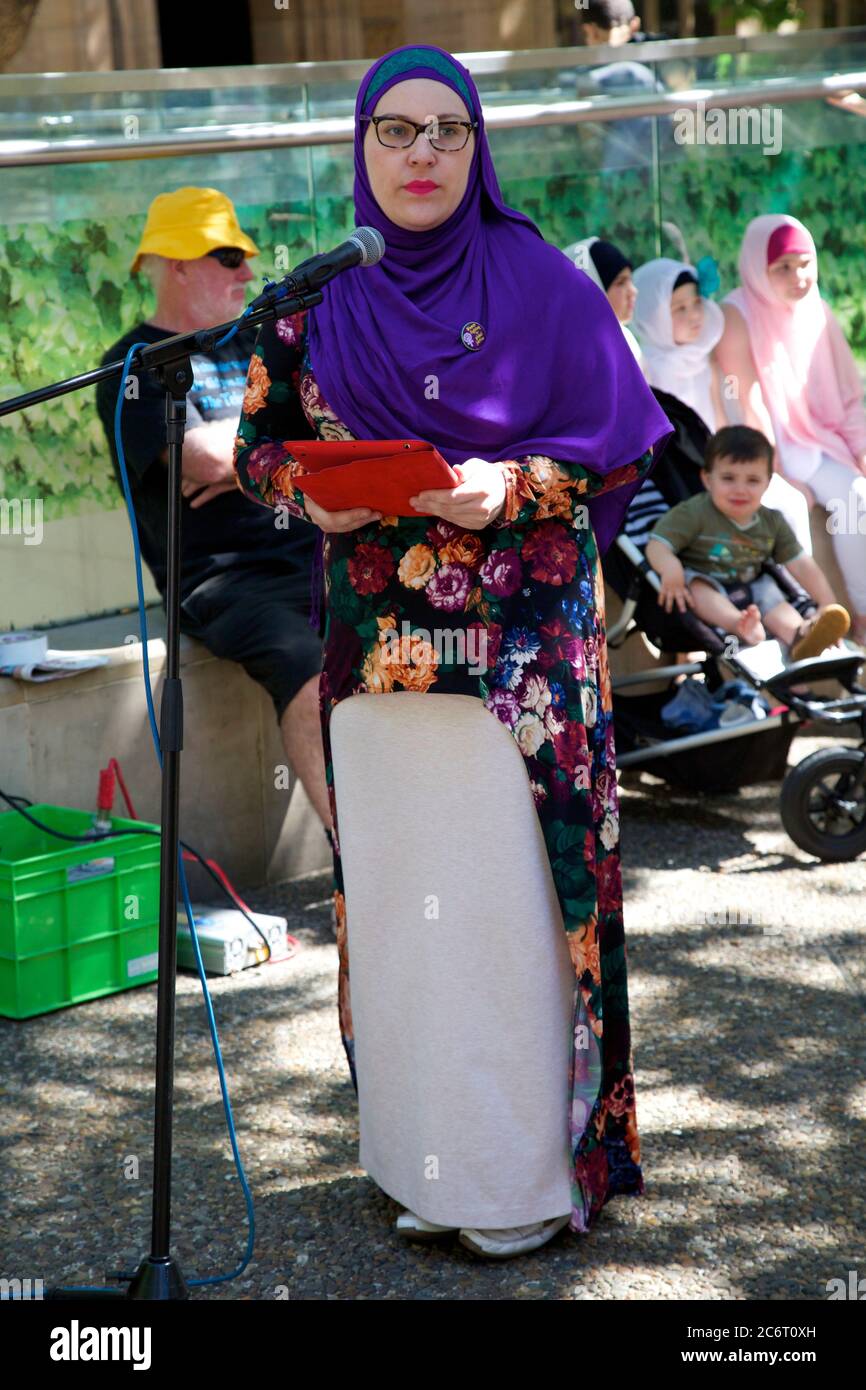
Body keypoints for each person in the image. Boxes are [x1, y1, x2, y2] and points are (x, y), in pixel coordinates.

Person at [232, 44, 672, 1260]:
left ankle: (518, 1178)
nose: (420, 153)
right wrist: (303, 496)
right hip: (376, 663)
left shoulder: (544, 285)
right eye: (395, 129)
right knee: (405, 914)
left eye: (446, 131)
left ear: (477, 147)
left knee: (508, 912)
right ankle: (423, 1160)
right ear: (361, 146)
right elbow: (259, 444)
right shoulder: (314, 298)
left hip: (517, 664)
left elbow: (611, 454)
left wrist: (506, 486)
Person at [95, 187, 331, 832]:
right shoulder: (132, 366)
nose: (248, 273)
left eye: (247, 257)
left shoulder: (256, 339)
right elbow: (201, 460)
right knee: (303, 661)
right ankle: (356, 854)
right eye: (229, 257)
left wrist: (250, 459)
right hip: (228, 581)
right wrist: (268, 449)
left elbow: (329, 428)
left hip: (316, 550)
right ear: (177, 265)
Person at [716, 213, 866, 647]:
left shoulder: (817, 311)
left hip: (815, 442)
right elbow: (748, 404)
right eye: (782, 267)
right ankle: (807, 622)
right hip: (764, 444)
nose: (798, 277)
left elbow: (848, 395)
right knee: (792, 506)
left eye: (804, 264)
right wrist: (776, 471)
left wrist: (861, 451)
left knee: (856, 498)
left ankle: (860, 618)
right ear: (757, 269)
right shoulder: (736, 313)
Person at [632, 256, 814, 557]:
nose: (694, 314)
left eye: (696, 303)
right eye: (679, 309)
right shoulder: (646, 371)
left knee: (791, 503)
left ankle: (797, 586)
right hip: (686, 477)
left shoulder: (706, 359)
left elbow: (719, 422)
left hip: (723, 463)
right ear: (654, 316)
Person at [646, 425, 850, 660]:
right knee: (695, 588)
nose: (740, 489)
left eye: (752, 480)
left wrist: (826, 603)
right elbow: (657, 544)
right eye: (728, 478)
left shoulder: (771, 522)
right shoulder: (694, 513)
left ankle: (800, 635)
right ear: (708, 479)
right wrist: (670, 567)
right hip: (707, 582)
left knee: (772, 595)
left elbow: (801, 564)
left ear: (767, 483)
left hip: (751, 585)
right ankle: (740, 625)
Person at [562, 236, 642, 365]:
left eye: (630, 280)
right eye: (621, 283)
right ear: (593, 290)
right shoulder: (581, 354)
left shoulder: (626, 339)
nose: (633, 291)